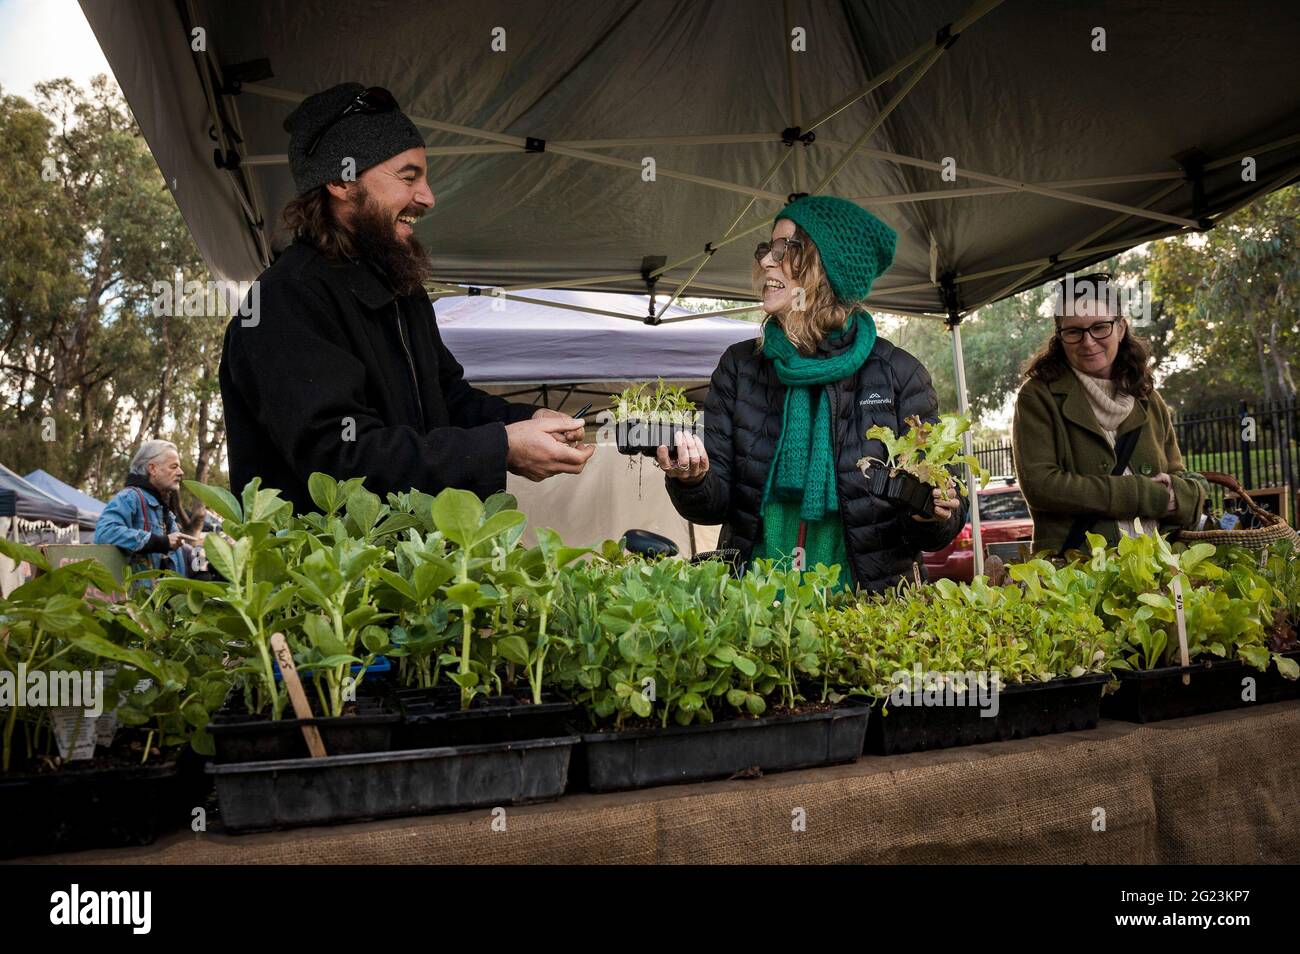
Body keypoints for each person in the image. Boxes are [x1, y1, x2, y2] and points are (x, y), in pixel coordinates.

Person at [220, 83, 593, 512]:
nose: (428, 198)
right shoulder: (284, 302)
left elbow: (448, 401)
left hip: (412, 567)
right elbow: (341, 458)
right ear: (341, 181)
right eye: (408, 176)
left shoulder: (401, 291)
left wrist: (525, 421)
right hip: (328, 574)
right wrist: (499, 447)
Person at [660, 195, 967, 592]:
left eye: (784, 249)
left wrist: (934, 513)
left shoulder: (898, 374)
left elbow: (939, 528)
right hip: (755, 599)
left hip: (865, 604)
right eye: (766, 250)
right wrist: (692, 480)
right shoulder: (740, 368)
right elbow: (713, 506)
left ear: (827, 267)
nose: (766, 262)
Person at [1012, 272, 1207, 554]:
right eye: (1074, 331)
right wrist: (1143, 495)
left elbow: (1178, 474)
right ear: (1060, 336)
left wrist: (1181, 494)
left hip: (1158, 561)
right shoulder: (1038, 396)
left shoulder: (1148, 397)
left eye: (1100, 327)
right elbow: (1041, 486)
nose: (1088, 342)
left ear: (1121, 327)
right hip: (1077, 569)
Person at [94, 440, 195, 576]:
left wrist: (198, 564)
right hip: (141, 596)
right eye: (174, 466)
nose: (181, 472)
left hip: (160, 596)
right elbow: (104, 533)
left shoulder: (163, 509)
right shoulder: (130, 497)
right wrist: (160, 542)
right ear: (152, 469)